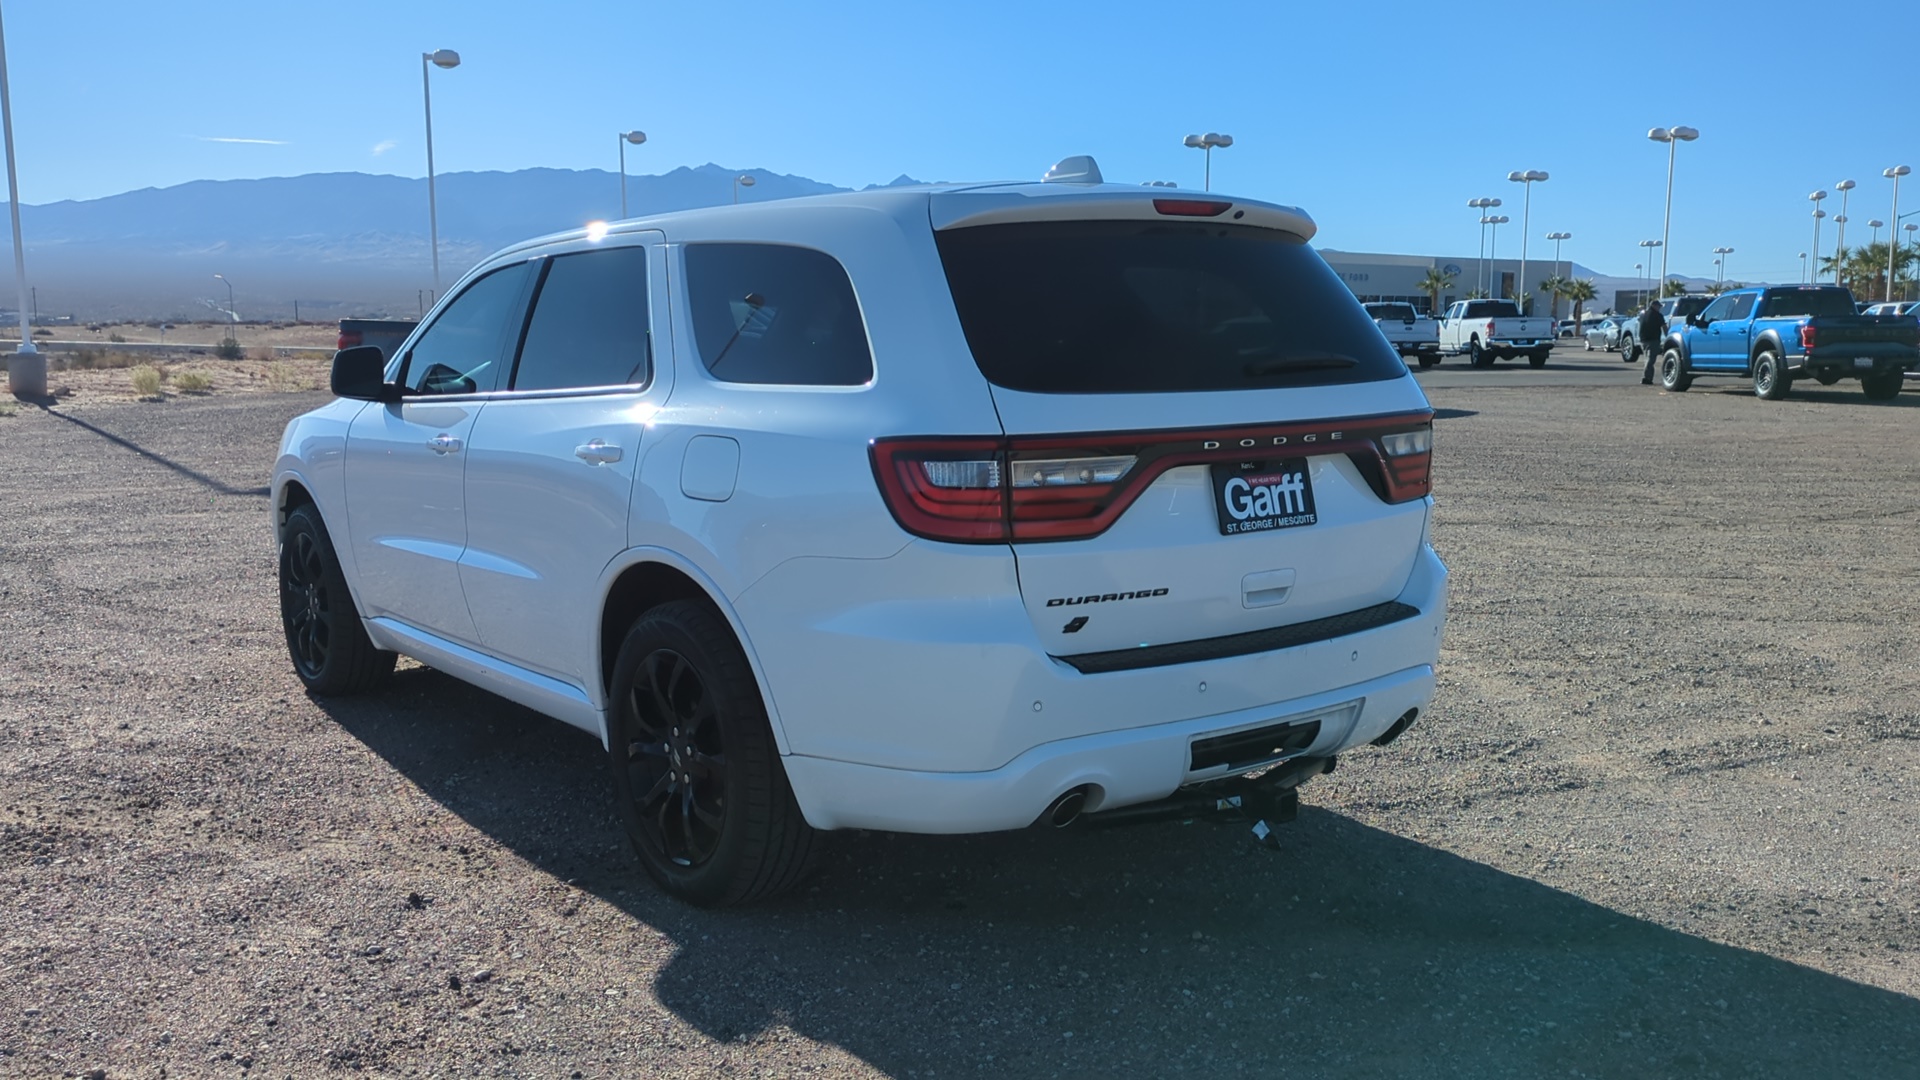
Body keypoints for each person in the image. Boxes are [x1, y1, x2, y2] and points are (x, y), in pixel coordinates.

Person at [1637, 299, 1667, 385]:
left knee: (1647, 360)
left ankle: (1649, 378)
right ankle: (1645, 378)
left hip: (1643, 340)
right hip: (1653, 340)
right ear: (1654, 306)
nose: (1659, 308)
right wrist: (1668, 336)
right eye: (1658, 306)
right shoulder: (1658, 315)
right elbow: (1664, 327)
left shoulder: (1643, 314)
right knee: (1650, 361)